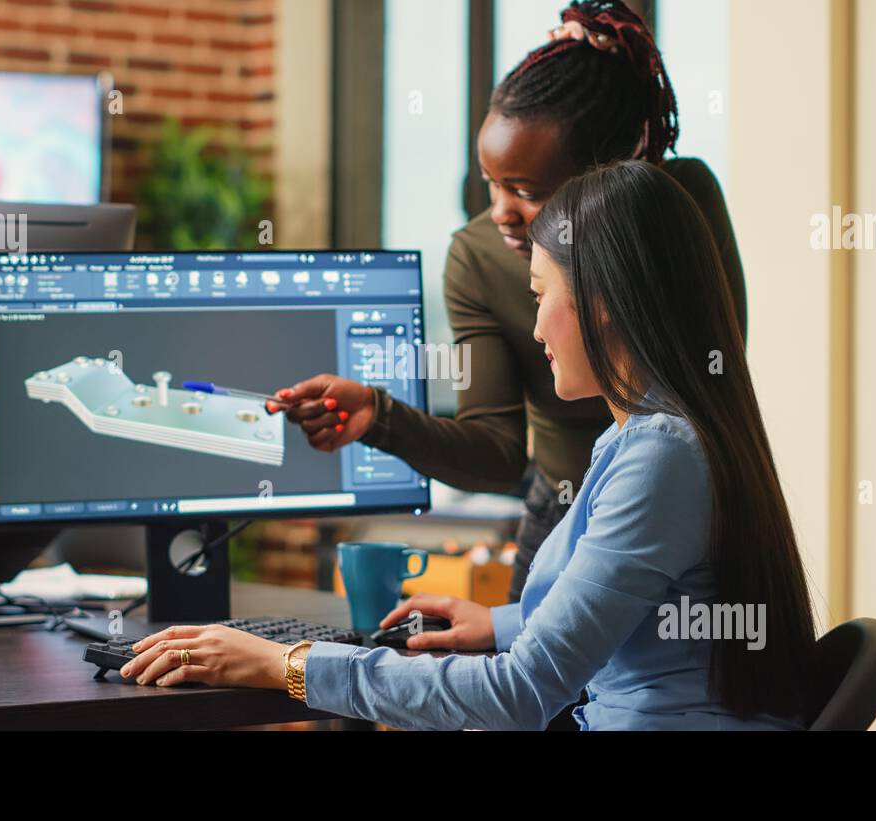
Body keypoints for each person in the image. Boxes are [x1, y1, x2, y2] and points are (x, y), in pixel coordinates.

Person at [118, 159, 819, 731]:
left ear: (603, 301)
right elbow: (634, 614)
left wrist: (287, 664)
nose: (536, 328)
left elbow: (520, 693)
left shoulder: (660, 452)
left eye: (540, 293)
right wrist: (500, 621)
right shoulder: (656, 432)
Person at [269, 0, 747, 610]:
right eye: (493, 182)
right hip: (563, 510)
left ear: (612, 176)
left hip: (687, 506)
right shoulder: (479, 258)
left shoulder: (684, 210)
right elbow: (498, 457)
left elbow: (715, 384)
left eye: (527, 191)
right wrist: (381, 417)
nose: (501, 211)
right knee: (522, 696)